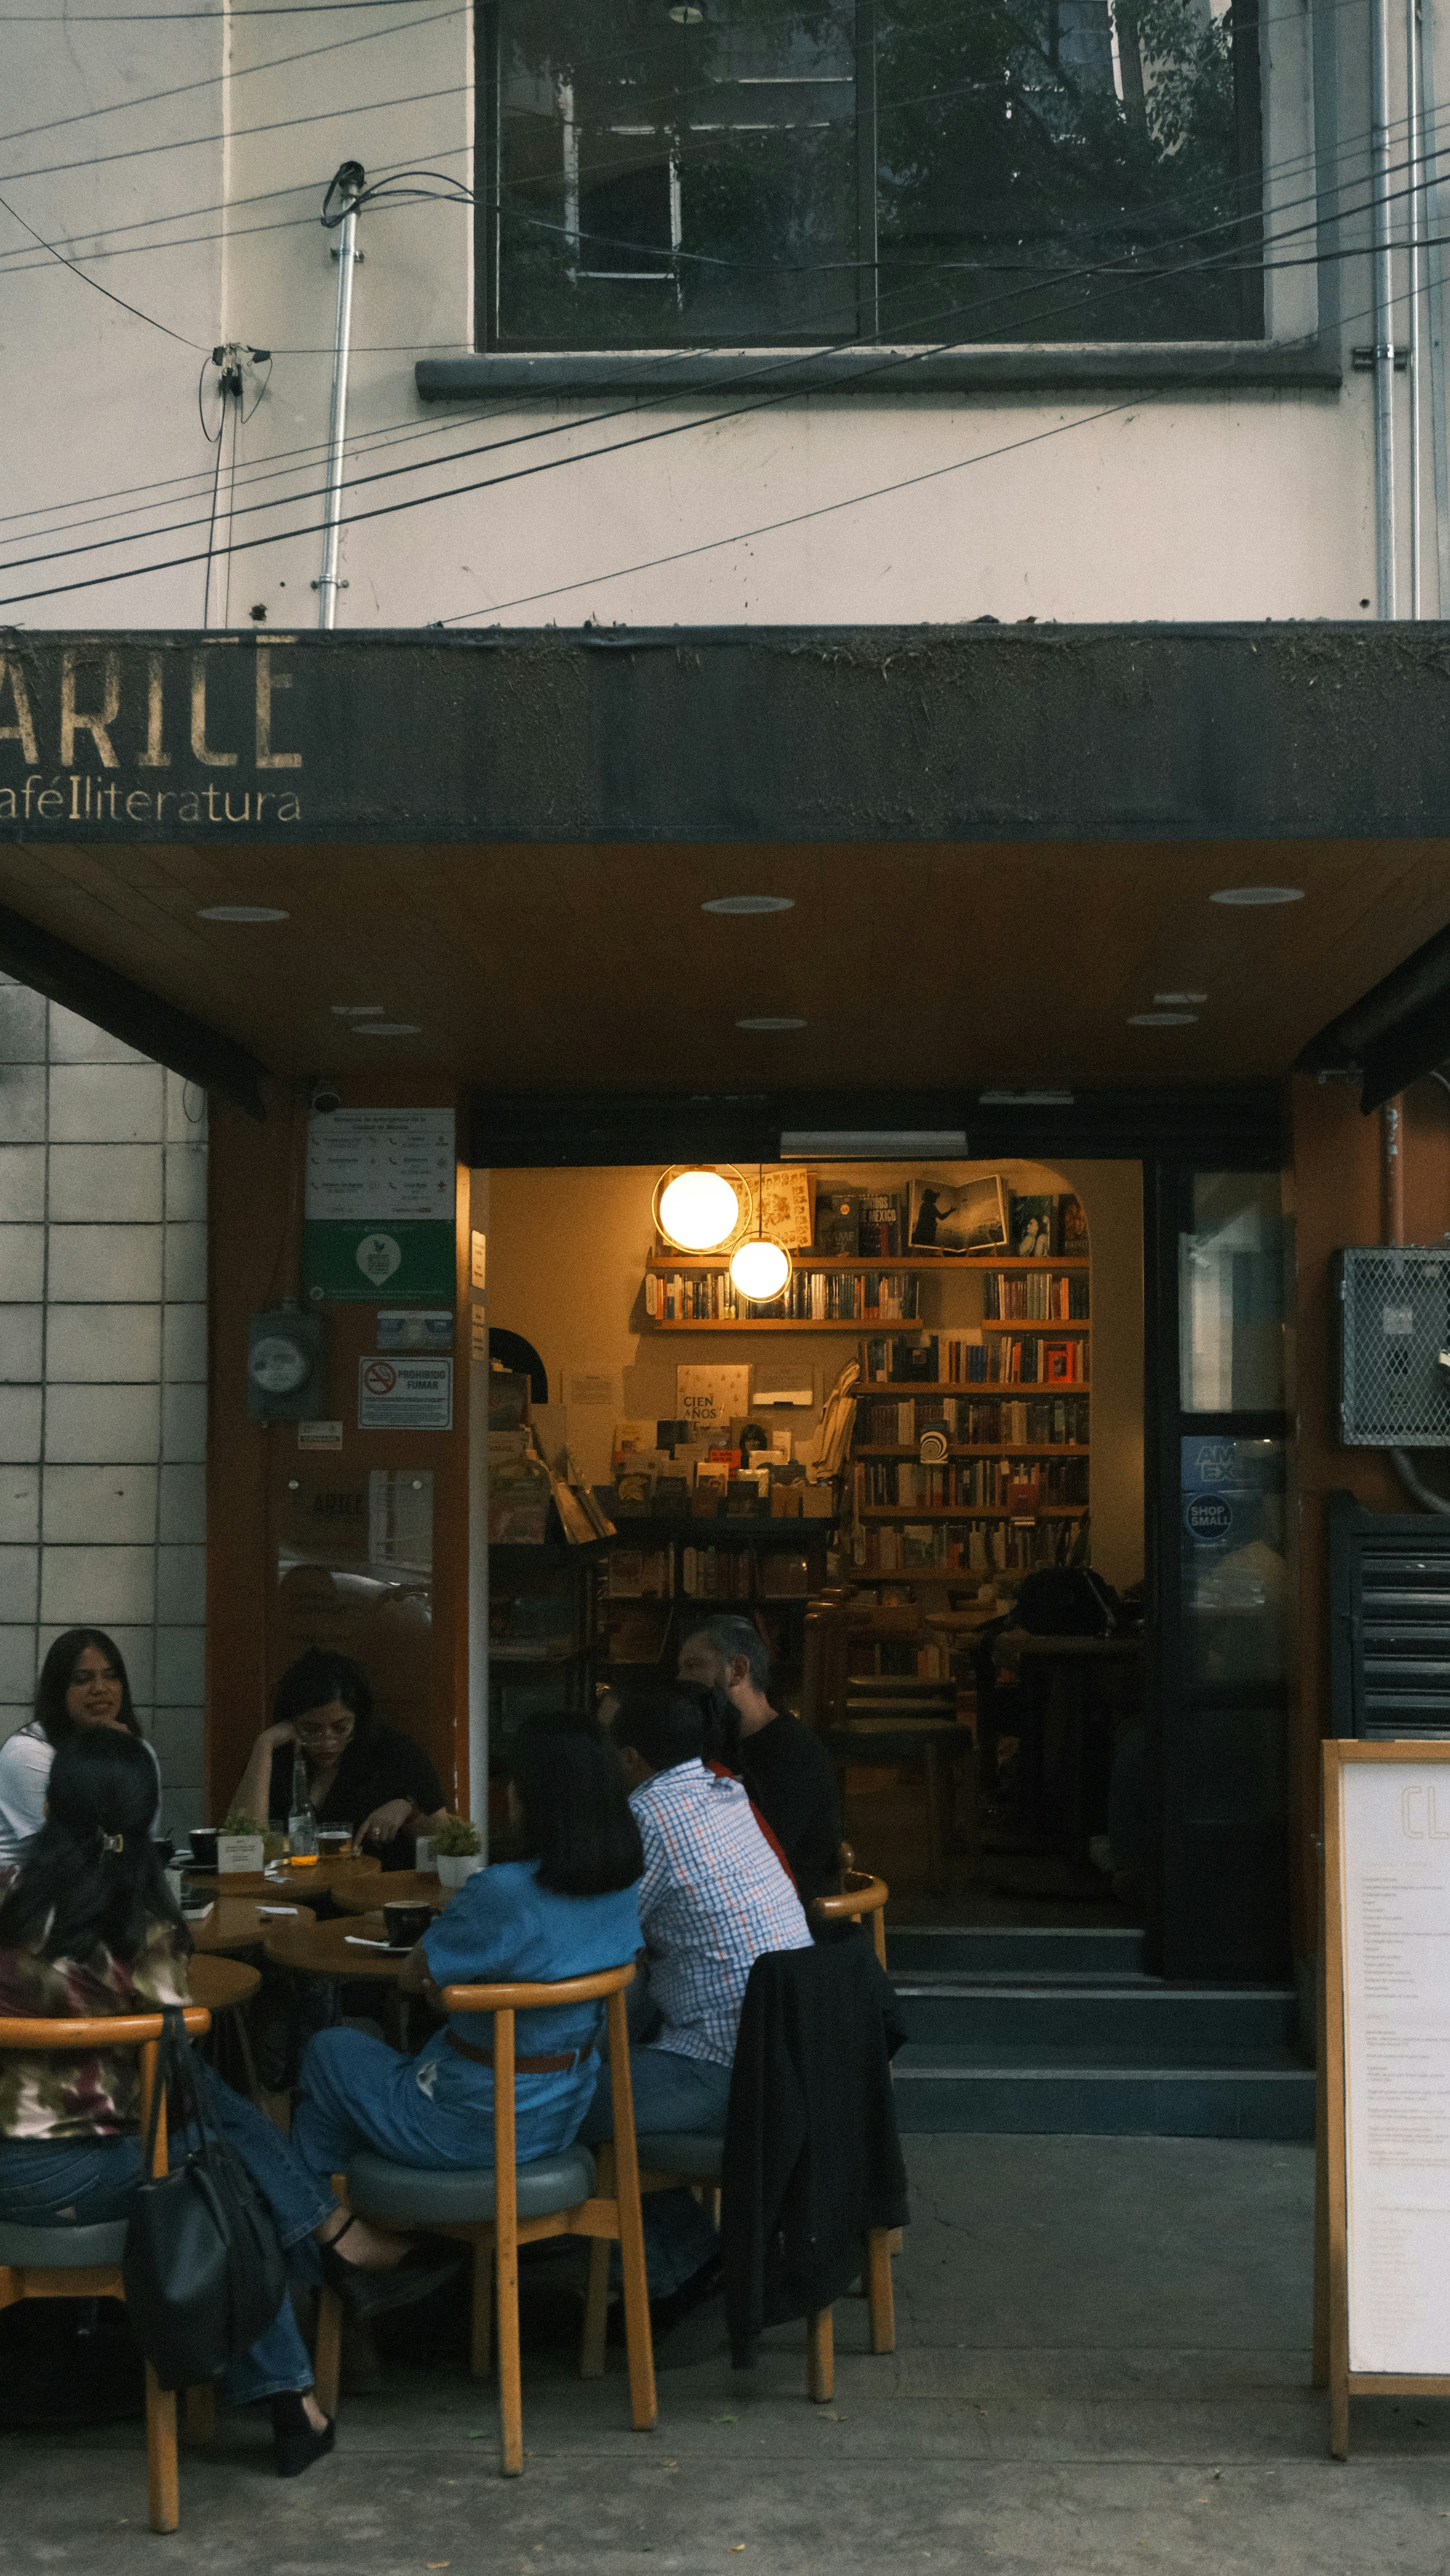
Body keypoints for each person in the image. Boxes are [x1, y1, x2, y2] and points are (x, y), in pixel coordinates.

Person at [0, 1727, 429, 2477]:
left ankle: (332, 2250)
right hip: (76, 2174)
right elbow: (166, 2070)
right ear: (145, 1817)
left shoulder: (7, 1898)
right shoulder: (145, 1926)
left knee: (212, 2111)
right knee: (217, 2179)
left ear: (49, 1801)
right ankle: (294, 2384)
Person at [289, 1714, 644, 2293]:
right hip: (557, 2119)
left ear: (531, 1796)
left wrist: (446, 1939)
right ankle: (359, 2263)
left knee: (329, 2052)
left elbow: (409, 1978)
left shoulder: (502, 1892)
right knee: (340, 2098)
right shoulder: (624, 1886)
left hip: (468, 2126)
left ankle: (340, 2256)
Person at [582, 1683, 813, 2337]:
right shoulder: (725, 1792)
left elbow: (593, 1940)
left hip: (725, 2069)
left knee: (554, 2101)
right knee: (610, 2056)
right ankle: (688, 2254)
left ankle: (681, 2265)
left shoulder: (645, 1821)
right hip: (789, 2052)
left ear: (628, 1760)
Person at [677, 1615, 842, 1909]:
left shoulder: (794, 1751)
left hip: (788, 1917)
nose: (682, 1681)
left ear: (738, 1670)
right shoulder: (716, 1742)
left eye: (693, 1666)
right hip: (734, 1898)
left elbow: (762, 1852)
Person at [229, 1649, 447, 1870]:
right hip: (287, 1895)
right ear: (291, 1722)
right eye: (311, 1729)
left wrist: (409, 1810)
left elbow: (449, 1841)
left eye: (341, 1728)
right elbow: (240, 1849)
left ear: (358, 1720)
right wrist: (264, 1745)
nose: (327, 1742)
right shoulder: (278, 1755)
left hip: (371, 1894)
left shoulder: (393, 1751)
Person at [0, 1629, 163, 1868]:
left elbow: (140, 1840)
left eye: (111, 1676)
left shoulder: (139, 1751)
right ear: (58, 1691)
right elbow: (72, 1851)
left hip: (102, 1890)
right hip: (30, 1893)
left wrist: (120, 1751)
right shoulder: (27, 1753)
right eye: (83, 1679)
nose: (100, 1689)